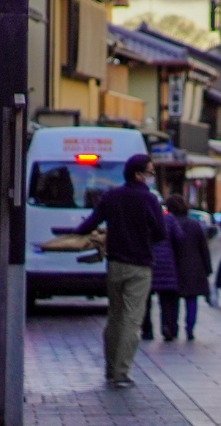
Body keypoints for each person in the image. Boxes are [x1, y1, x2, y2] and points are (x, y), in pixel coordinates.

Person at [75, 154, 165, 387]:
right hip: (140, 266)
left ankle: (110, 368)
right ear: (139, 174)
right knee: (131, 320)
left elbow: (89, 224)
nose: (151, 177)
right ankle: (120, 373)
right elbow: (160, 233)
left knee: (114, 318)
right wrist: (143, 237)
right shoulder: (149, 200)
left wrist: (76, 235)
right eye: (150, 172)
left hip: (114, 264)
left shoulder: (111, 196)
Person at [164, 195, 213, 340]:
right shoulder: (194, 224)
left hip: (173, 267)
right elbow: (203, 248)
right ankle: (189, 328)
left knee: (173, 301)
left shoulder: (168, 224)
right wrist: (207, 268)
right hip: (194, 268)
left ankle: (172, 328)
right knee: (191, 300)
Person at [142, 210, 180, 342]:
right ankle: (168, 327)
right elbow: (179, 238)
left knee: (145, 300)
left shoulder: (143, 218)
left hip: (148, 262)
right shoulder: (169, 219)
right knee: (167, 300)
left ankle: (146, 330)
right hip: (167, 264)